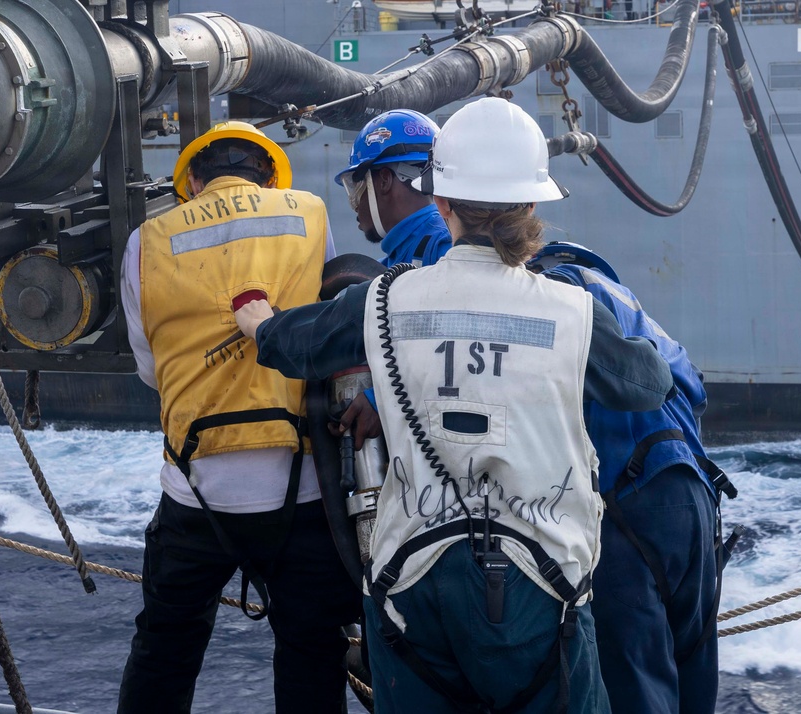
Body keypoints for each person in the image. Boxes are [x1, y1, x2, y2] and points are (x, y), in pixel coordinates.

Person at [235, 97, 677, 713]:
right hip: (537, 587)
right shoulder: (570, 311)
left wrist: (256, 322)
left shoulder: (384, 299)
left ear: (441, 203)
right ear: (529, 207)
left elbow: (293, 344)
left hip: (409, 586)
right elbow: (648, 385)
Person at [117, 120, 362, 713]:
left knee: (166, 647)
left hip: (195, 489)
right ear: (268, 173)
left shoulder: (146, 240)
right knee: (310, 653)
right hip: (298, 487)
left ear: (193, 180)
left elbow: (152, 372)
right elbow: (321, 336)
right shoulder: (308, 214)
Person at [529, 241, 731, 714]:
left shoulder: (554, 297)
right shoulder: (629, 304)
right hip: (695, 500)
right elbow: (694, 388)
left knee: (636, 689)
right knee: (693, 683)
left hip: (625, 511)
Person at [335, 109, 451, 267]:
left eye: (359, 187)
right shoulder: (392, 260)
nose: (356, 206)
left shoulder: (444, 246)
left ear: (384, 180)